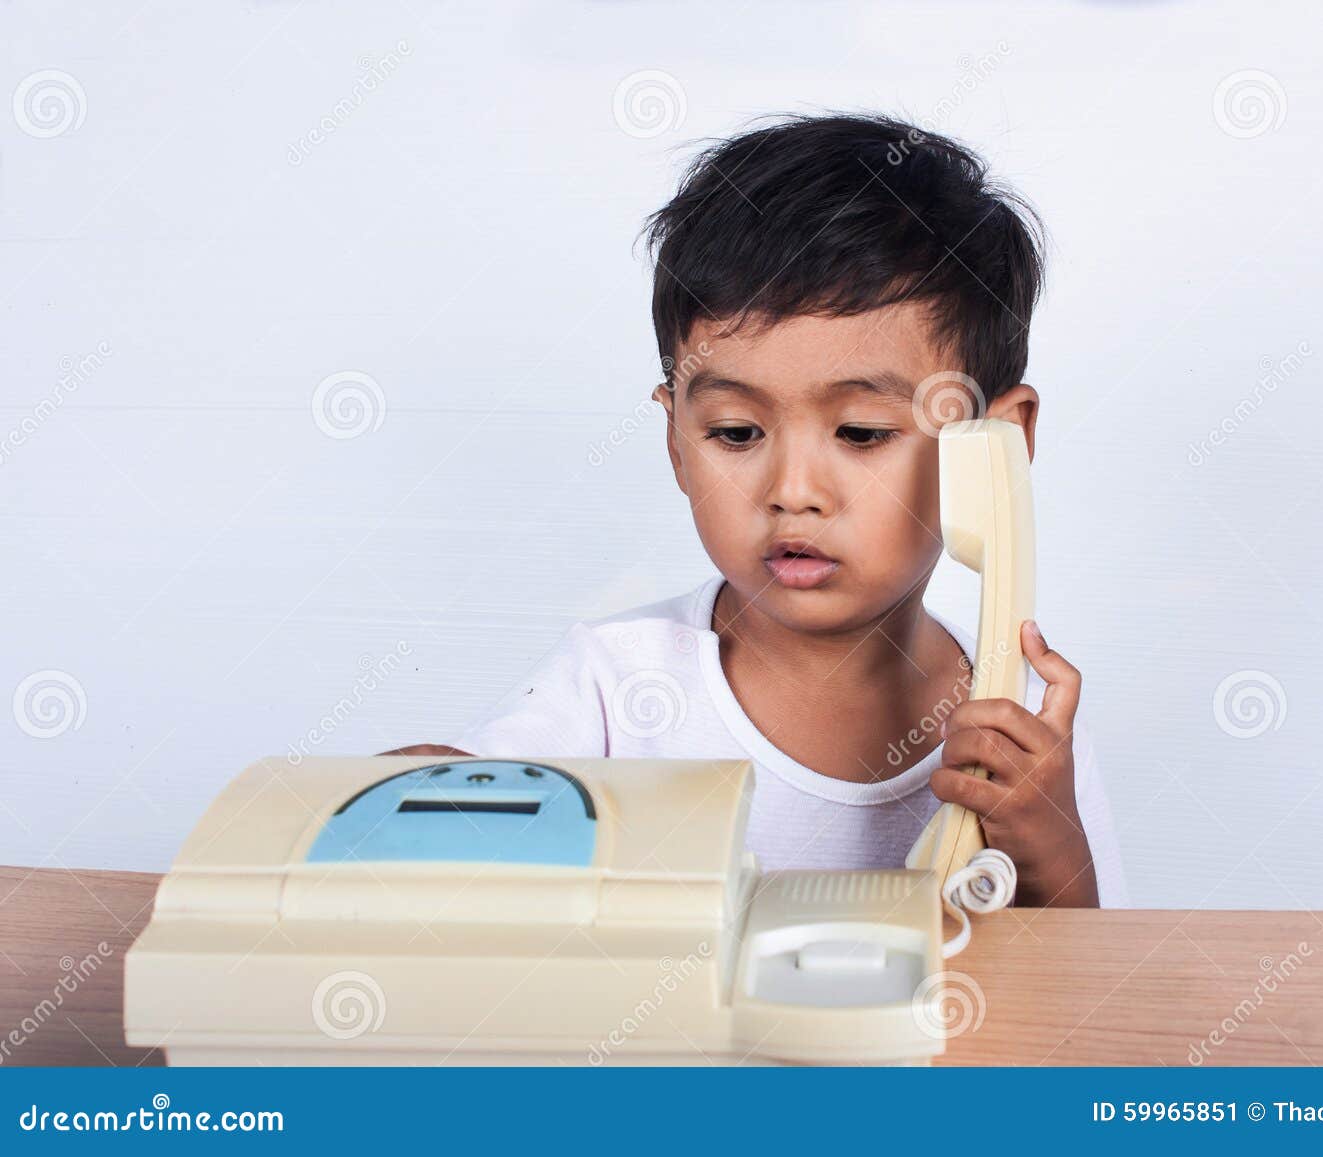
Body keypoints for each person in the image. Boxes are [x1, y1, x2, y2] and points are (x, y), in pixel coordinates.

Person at [390, 112, 1126, 907]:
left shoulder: (1022, 724)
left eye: (861, 432)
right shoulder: (612, 687)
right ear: (677, 440)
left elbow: (1090, 996)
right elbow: (454, 839)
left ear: (996, 450)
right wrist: (413, 807)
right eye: (736, 432)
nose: (792, 490)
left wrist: (1053, 847)